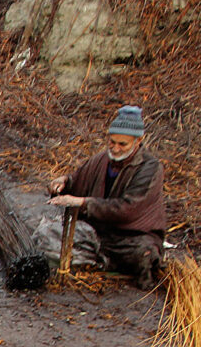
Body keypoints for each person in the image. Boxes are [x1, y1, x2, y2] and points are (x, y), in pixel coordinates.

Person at [39, 105, 167, 290]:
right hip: (98, 233)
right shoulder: (101, 160)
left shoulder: (151, 168)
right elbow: (78, 181)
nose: (115, 148)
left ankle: (102, 262)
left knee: (142, 253)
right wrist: (64, 182)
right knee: (46, 233)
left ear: (138, 140)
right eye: (112, 142)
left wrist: (82, 203)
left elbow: (127, 209)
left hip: (130, 237)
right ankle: (99, 260)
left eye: (122, 144)